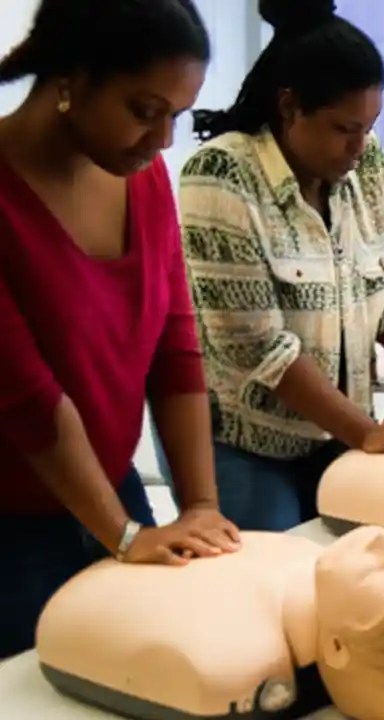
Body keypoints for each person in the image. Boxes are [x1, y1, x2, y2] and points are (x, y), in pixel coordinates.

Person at [0, 0, 240, 658]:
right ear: (70, 81)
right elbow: (26, 399)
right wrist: (124, 535)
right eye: (144, 110)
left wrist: (199, 508)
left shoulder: (144, 178)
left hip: (113, 495)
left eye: (177, 117)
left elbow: (175, 348)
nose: (162, 141)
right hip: (13, 526)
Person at [179, 0, 384, 533]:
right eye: (343, 129)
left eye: (370, 126)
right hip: (247, 446)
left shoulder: (370, 165)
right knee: (279, 577)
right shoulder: (222, 174)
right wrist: (365, 431)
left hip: (340, 435)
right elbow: (257, 345)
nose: (360, 146)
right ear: (289, 107)